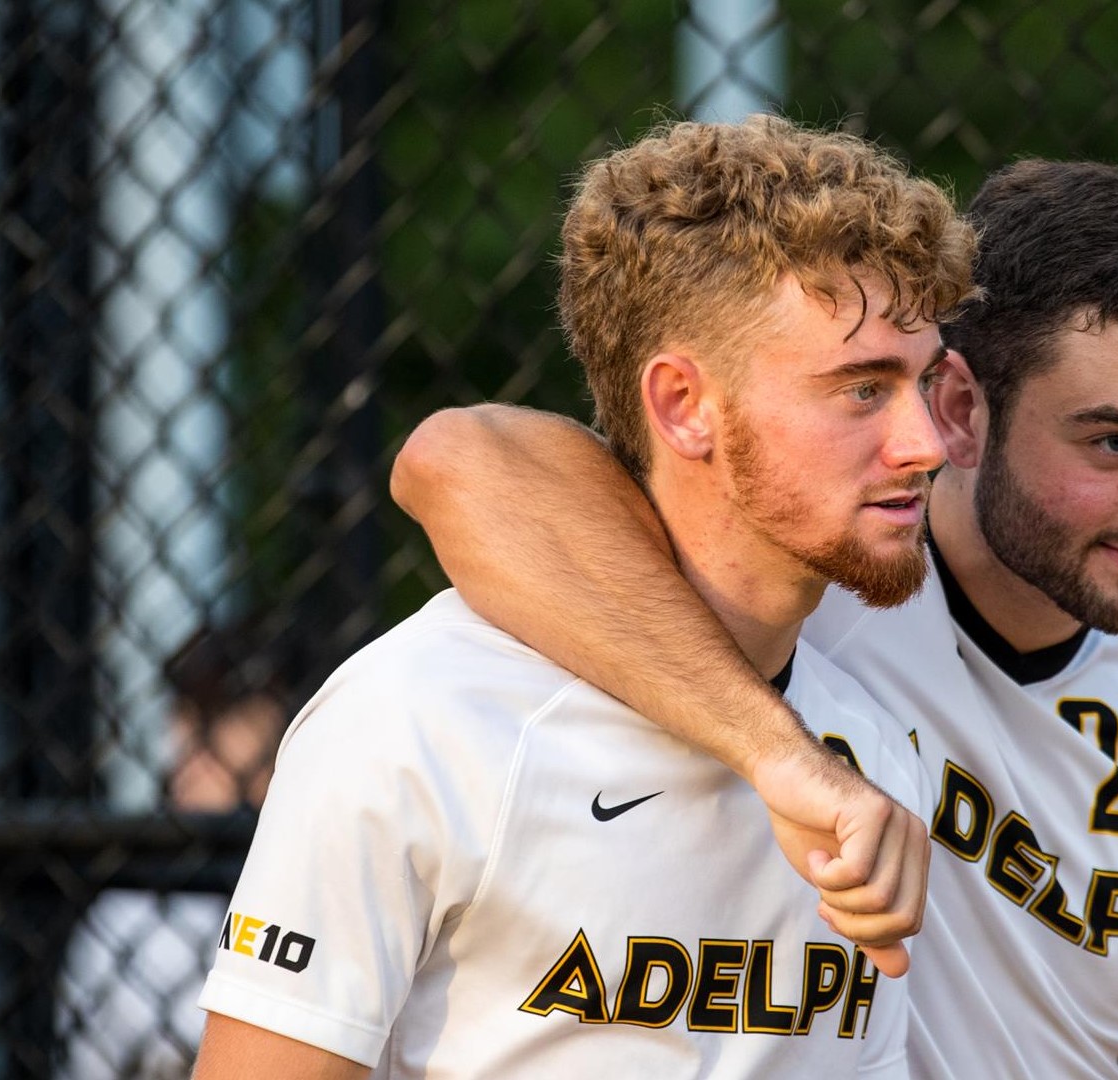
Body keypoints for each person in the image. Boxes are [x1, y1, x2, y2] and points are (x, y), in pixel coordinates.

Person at [391, 159, 1118, 1078]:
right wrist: (784, 755)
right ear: (961, 408)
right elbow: (463, 458)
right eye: (1115, 442)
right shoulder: (807, 580)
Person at [192, 115, 975, 1078]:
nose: (924, 444)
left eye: (921, 382)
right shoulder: (421, 717)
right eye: (861, 389)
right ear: (683, 405)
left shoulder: (872, 746)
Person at [55, 618, 296, 1080]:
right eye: (185, 712)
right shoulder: (129, 913)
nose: (191, 740)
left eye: (223, 714)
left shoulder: (327, 889)